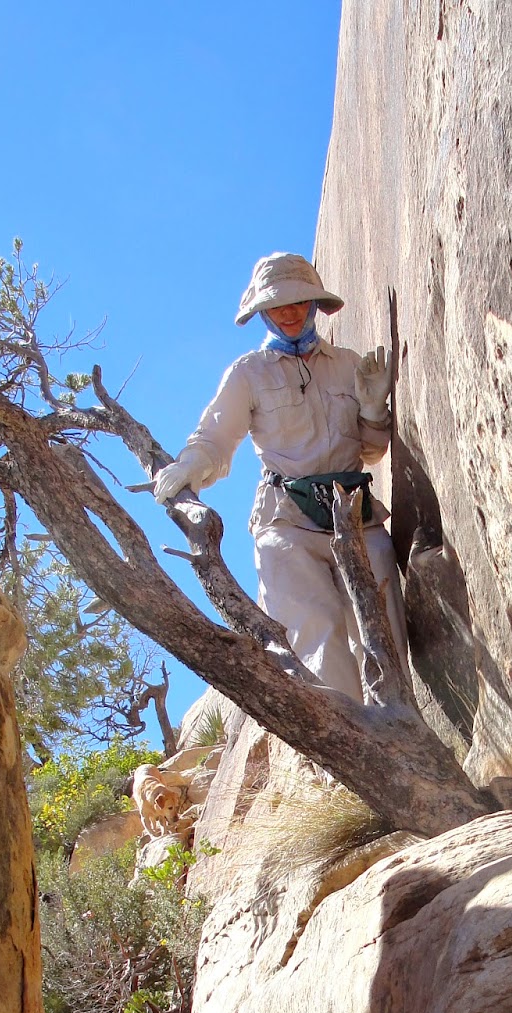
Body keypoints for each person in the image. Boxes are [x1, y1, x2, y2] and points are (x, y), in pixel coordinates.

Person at [153, 253, 407, 702]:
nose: (289, 314)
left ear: (314, 304)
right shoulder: (248, 374)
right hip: (286, 519)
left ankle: (406, 740)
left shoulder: (349, 364)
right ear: (262, 312)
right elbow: (215, 438)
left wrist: (372, 408)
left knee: (383, 628)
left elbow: (371, 449)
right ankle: (350, 755)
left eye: (298, 302)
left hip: (355, 515)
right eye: (277, 306)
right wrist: (188, 467)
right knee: (317, 636)